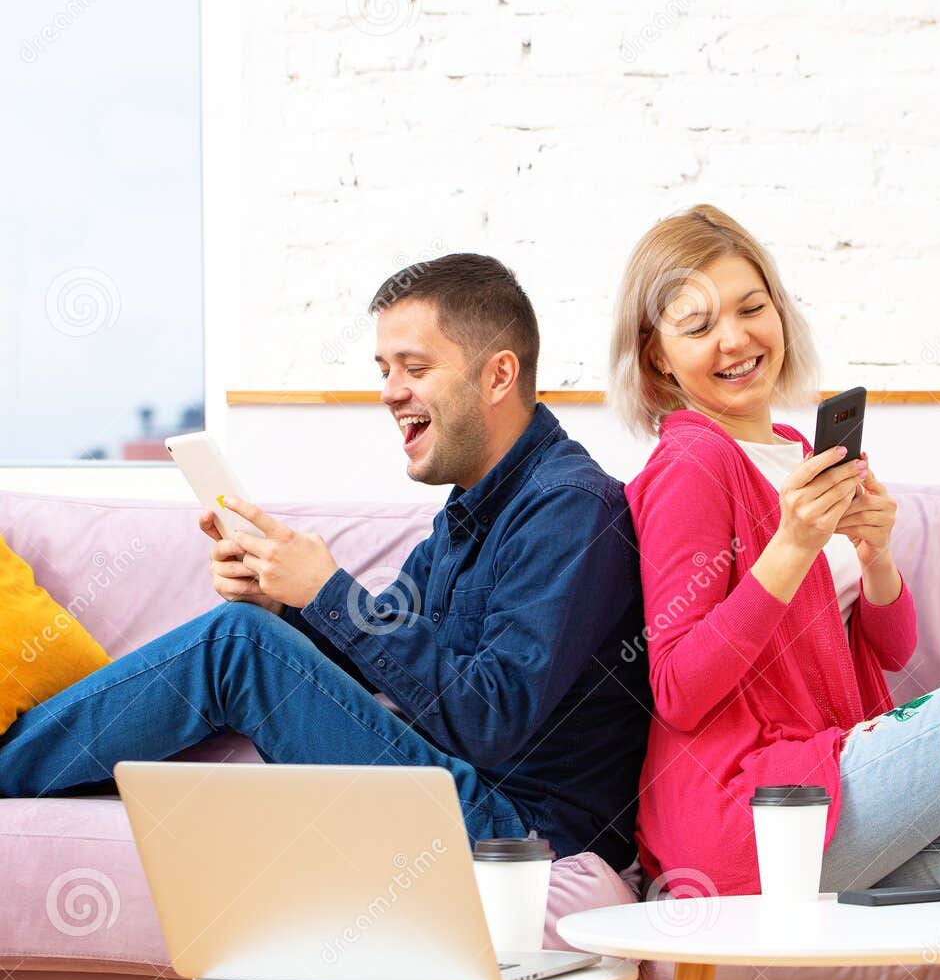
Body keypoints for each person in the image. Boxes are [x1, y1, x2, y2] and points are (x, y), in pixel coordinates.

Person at [1, 254, 650, 871]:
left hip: (515, 830)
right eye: (383, 370)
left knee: (236, 645)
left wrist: (328, 594)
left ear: (498, 376)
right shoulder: (470, 510)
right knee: (251, 630)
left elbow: (490, 719)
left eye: (414, 368)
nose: (389, 392)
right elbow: (381, 661)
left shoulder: (569, 509)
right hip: (463, 789)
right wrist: (283, 602)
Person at [610, 203, 940, 897]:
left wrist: (875, 555)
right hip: (753, 816)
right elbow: (677, 690)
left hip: (842, 792)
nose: (734, 340)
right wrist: (792, 546)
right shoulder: (692, 466)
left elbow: (892, 651)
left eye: (751, 308)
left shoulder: (799, 453)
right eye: (698, 326)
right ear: (655, 354)